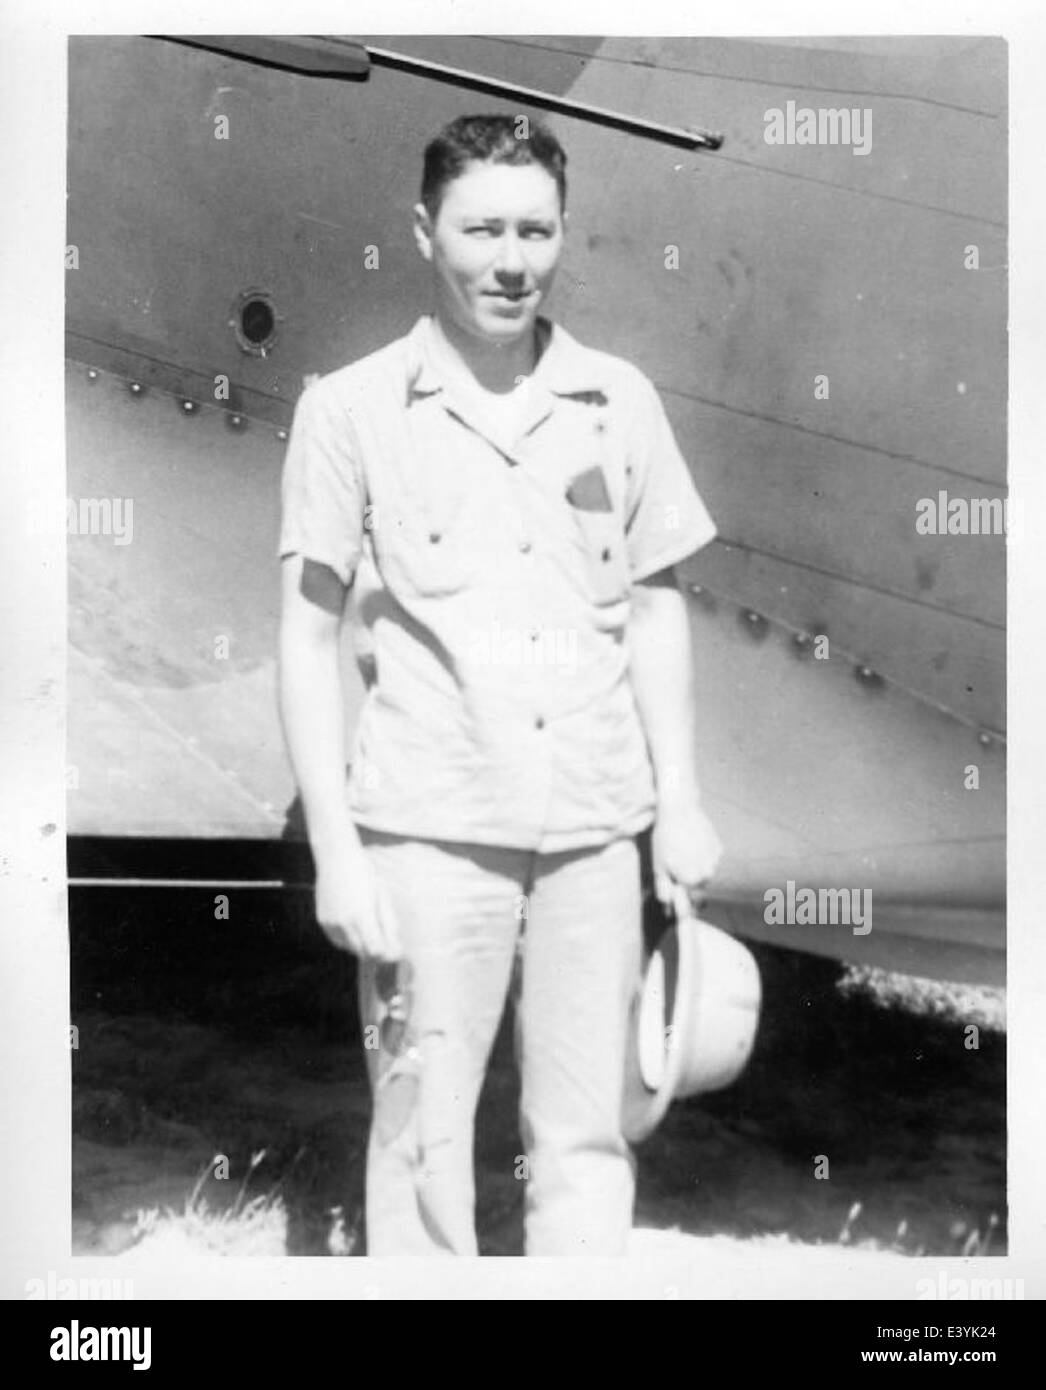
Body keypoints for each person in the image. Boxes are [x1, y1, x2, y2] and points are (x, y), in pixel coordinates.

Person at [277, 113, 722, 1256]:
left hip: (590, 830)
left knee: (585, 1143)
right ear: (424, 230)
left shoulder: (619, 401)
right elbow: (305, 633)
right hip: (430, 828)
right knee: (420, 1142)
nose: (508, 259)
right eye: (481, 228)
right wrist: (336, 851)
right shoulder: (351, 411)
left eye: (534, 229)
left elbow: (658, 606)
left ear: (563, 235)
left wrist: (678, 801)